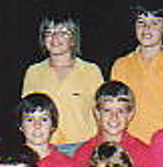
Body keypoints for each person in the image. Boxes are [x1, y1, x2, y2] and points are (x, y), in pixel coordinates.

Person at [21, 16, 106, 150]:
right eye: (49, 33)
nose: (55, 38)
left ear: (73, 39)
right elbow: (27, 115)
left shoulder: (91, 71)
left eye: (62, 33)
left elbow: (102, 112)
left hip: (83, 148)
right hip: (44, 147)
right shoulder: (33, 72)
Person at [111, 6, 163, 143]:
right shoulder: (121, 65)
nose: (146, 28)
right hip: (130, 143)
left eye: (155, 23)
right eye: (141, 22)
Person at [73, 81, 154, 167]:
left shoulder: (143, 151)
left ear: (130, 114)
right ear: (97, 113)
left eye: (120, 111)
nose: (114, 117)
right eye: (107, 111)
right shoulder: (83, 152)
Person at [17, 93, 82, 167]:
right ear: (21, 125)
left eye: (44, 119)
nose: (37, 126)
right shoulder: (11, 163)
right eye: (30, 120)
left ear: (53, 125)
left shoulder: (69, 165)